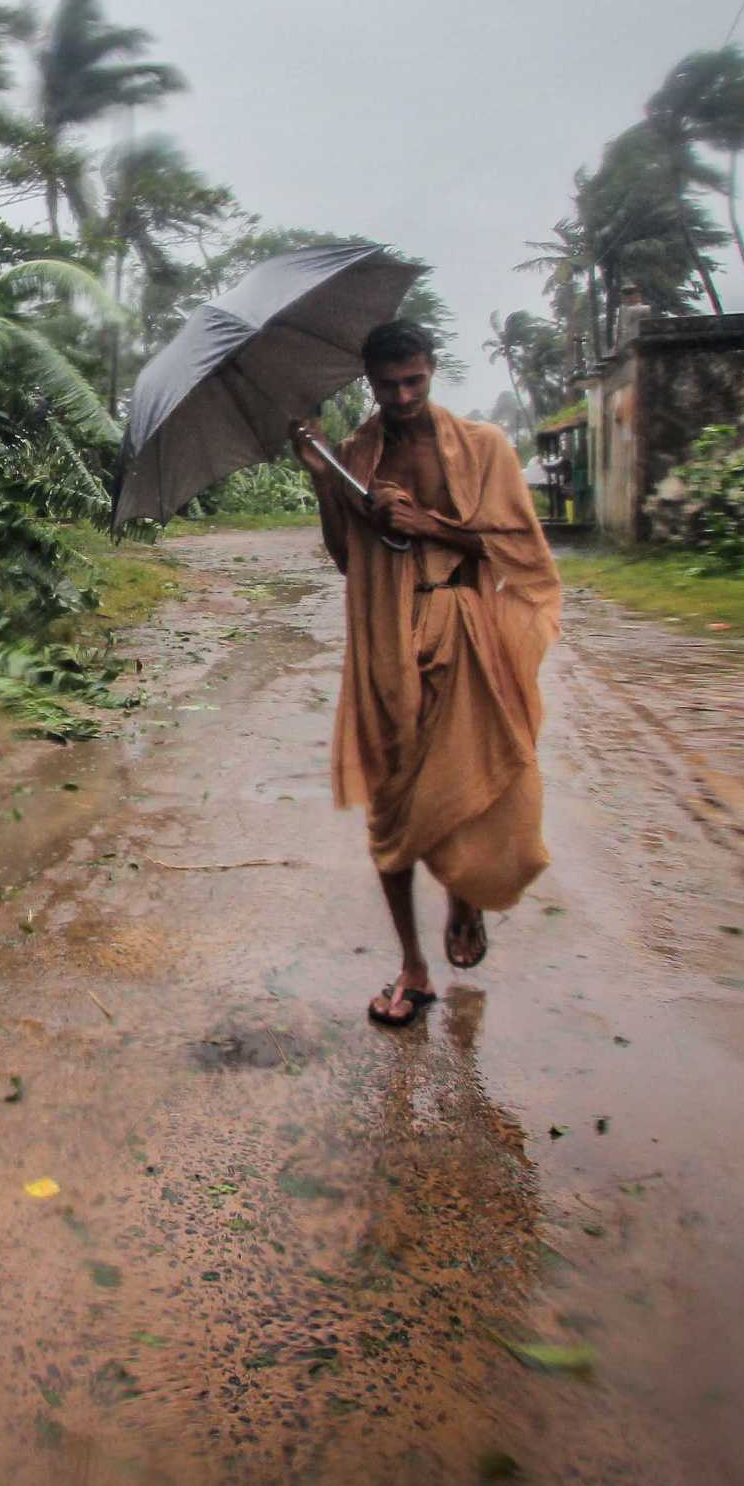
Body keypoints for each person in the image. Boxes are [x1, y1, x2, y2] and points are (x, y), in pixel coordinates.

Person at [288, 320, 563, 1027]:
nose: (404, 396)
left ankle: (464, 898)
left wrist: (427, 524)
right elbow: (347, 556)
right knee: (389, 803)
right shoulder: (355, 455)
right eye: (389, 385)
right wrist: (325, 481)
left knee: (463, 776)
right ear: (370, 382)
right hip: (384, 637)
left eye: (414, 380)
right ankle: (413, 966)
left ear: (432, 368)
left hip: (462, 629)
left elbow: (518, 548)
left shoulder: (482, 447)